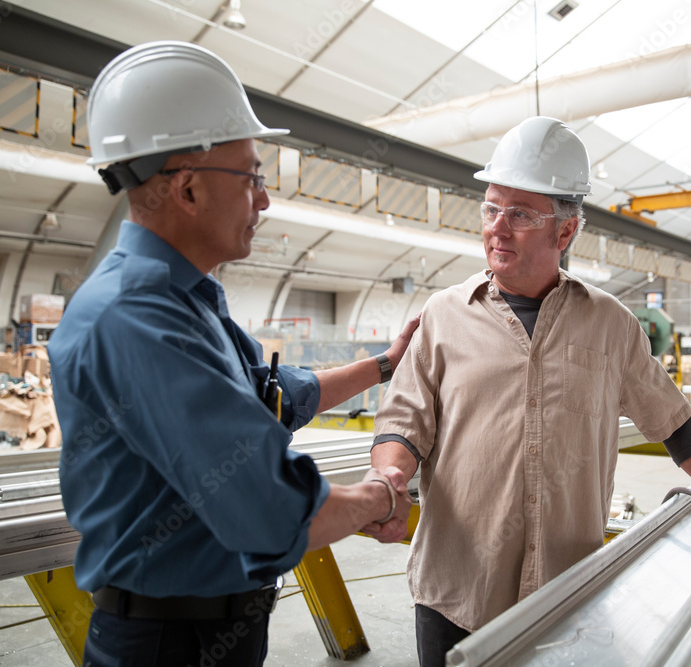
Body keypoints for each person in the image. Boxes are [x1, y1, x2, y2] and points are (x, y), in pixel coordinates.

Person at [367, 116, 691, 666]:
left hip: (568, 590)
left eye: (519, 214)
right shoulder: (443, 317)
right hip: (457, 591)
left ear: (564, 232)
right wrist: (389, 473)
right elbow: (402, 423)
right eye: (491, 208)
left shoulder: (611, 326)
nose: (497, 227)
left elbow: (673, 421)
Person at [47, 41, 415, 667]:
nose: (264, 201)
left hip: (208, 628)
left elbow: (277, 395)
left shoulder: (187, 297)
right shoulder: (137, 319)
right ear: (186, 188)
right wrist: (382, 496)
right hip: (168, 642)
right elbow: (271, 512)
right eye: (251, 177)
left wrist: (383, 365)